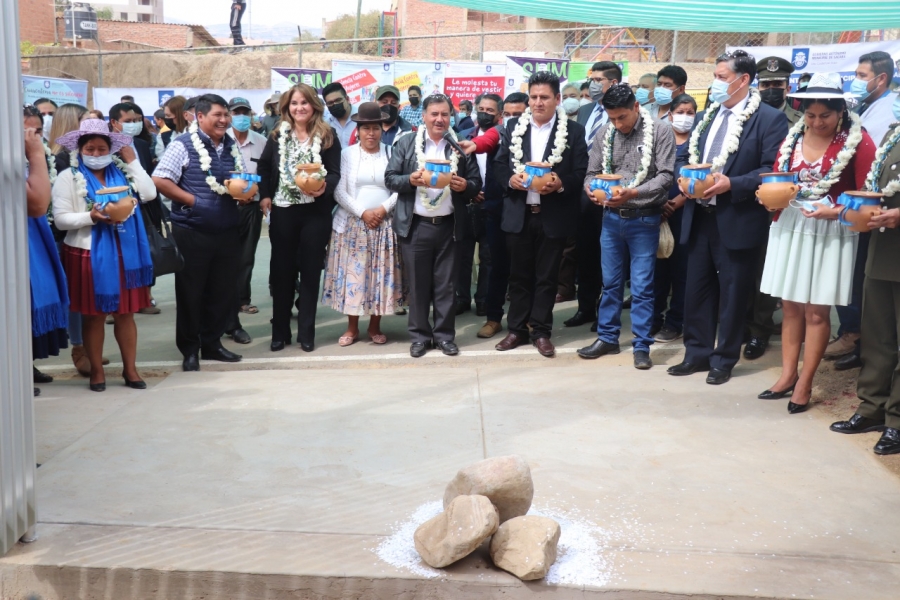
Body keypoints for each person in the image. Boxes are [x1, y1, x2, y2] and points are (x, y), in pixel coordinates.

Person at [668, 49, 789, 385]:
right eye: (715, 77)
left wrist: (731, 183)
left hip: (737, 215)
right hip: (700, 215)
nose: (715, 83)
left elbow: (771, 170)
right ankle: (696, 354)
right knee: (697, 289)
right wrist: (683, 177)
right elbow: (687, 156)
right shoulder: (708, 116)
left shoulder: (768, 119)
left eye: (722, 77)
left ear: (743, 80)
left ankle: (724, 359)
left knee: (733, 292)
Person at [757, 73, 876, 413]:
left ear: (840, 112)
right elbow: (779, 176)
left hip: (831, 229)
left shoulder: (858, 141)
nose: (817, 122)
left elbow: (868, 196)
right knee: (791, 304)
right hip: (791, 222)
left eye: (825, 115)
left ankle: (806, 382)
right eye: (810, 115)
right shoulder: (793, 137)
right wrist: (770, 197)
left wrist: (835, 210)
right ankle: (786, 375)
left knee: (816, 311)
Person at [53, 119, 156, 391]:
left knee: (126, 314)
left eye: (102, 148)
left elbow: (149, 193)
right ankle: (97, 371)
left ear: (112, 150)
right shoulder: (68, 177)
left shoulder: (123, 172)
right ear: (80, 149)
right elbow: (61, 220)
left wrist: (132, 161)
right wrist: (91, 216)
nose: (96, 154)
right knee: (94, 315)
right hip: (87, 254)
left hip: (126, 252)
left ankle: (131, 370)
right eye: (90, 149)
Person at [577, 84, 676, 368]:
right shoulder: (604, 133)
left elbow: (666, 176)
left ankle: (641, 346)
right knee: (610, 284)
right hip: (610, 220)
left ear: (635, 106)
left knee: (643, 287)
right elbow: (591, 173)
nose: (617, 124)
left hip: (644, 219)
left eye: (622, 117)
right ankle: (607, 338)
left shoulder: (660, 130)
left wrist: (633, 193)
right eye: (612, 118)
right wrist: (591, 189)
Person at [493, 71, 588, 358]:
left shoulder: (572, 132)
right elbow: (498, 166)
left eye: (544, 97)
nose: (537, 102)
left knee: (547, 277)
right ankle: (517, 329)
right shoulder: (513, 128)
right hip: (519, 213)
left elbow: (580, 172)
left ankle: (542, 331)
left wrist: (560, 184)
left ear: (557, 99)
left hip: (552, 215)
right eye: (533, 97)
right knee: (519, 276)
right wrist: (510, 180)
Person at [152, 94, 247, 371]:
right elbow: (160, 179)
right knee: (191, 292)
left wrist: (243, 193)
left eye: (226, 115)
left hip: (227, 229)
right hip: (193, 230)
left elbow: (236, 179)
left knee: (222, 291)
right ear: (199, 116)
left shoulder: (230, 146)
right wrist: (193, 200)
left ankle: (213, 344)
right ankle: (190, 350)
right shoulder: (183, 144)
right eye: (217, 115)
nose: (224, 120)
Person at [385, 93, 481, 358]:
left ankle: (444, 336)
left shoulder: (459, 146)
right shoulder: (406, 143)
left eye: (445, 114)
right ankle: (419, 337)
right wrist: (411, 180)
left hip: (449, 226)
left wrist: (466, 187)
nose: (439, 119)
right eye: (434, 114)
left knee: (446, 286)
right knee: (417, 285)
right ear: (424, 116)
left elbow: (476, 184)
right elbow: (390, 178)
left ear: (451, 117)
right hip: (416, 226)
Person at [830, 108, 900, 454]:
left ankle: (897, 420)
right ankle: (871, 407)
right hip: (882, 249)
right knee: (878, 337)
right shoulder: (893, 134)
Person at [828, 51, 900, 368]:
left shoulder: (887, 110)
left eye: (861, 75)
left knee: (865, 285)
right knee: (858, 279)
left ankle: (858, 339)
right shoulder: (868, 105)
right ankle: (857, 339)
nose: (856, 81)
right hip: (862, 206)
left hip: (880, 212)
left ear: (880, 78)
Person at [258, 84, 341, 352]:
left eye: (304, 103)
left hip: (315, 214)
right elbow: (264, 166)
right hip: (283, 212)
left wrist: (324, 187)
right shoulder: (277, 135)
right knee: (281, 273)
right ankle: (279, 333)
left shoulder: (327, 136)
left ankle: (306, 333)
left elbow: (336, 173)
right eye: (294, 103)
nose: (299, 108)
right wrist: (265, 195)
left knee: (309, 274)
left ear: (314, 106)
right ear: (286, 107)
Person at [322, 102, 403, 345]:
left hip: (385, 224)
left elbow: (400, 188)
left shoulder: (392, 153)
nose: (371, 133)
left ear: (382, 129)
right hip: (352, 225)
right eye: (365, 128)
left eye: (375, 128)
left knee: (380, 276)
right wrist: (363, 212)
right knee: (355, 279)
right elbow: (338, 192)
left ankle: (375, 326)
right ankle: (352, 327)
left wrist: (381, 209)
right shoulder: (347, 155)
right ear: (358, 130)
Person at [742, 57, 804, 361]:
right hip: (747, 201)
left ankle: (760, 330)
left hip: (782, 208)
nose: (771, 90)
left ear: (787, 86)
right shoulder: (748, 117)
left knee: (768, 270)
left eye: (776, 85)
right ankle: (741, 323)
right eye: (765, 85)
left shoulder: (801, 120)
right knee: (744, 266)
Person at [568, 61, 622, 331]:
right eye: (592, 78)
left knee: (610, 255)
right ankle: (585, 308)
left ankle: (606, 311)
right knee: (586, 252)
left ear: (613, 83)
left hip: (614, 193)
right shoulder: (586, 110)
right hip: (585, 192)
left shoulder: (623, 112)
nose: (593, 83)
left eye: (599, 79)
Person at [470, 92, 527, 339]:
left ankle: (525, 321)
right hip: (495, 209)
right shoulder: (499, 132)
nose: (513, 120)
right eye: (510, 115)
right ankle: (494, 318)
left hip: (524, 210)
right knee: (495, 265)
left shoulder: (537, 137)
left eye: (519, 115)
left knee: (524, 268)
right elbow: (486, 140)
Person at [24, 105, 68, 396]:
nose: (34, 137)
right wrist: (36, 154)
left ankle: (25, 364)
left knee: (35, 297)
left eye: (38, 131)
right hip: (21, 236)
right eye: (28, 131)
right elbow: (38, 202)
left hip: (35, 233)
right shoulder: (26, 156)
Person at [109, 101, 163, 316]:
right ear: (114, 123)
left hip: (146, 206)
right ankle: (117, 305)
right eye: (127, 121)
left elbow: (149, 177)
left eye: (137, 120)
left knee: (147, 251)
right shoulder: (108, 147)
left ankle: (145, 297)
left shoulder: (141, 145)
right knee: (121, 255)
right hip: (120, 209)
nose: (133, 124)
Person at [222, 96, 267, 345]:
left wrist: (261, 197)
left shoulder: (260, 142)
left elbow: (266, 173)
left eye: (245, 112)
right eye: (236, 112)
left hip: (251, 207)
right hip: (227, 207)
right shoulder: (221, 141)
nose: (241, 117)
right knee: (226, 256)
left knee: (247, 255)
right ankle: (224, 302)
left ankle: (242, 299)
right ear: (229, 116)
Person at [652, 94, 696, 343]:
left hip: (685, 213)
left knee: (681, 270)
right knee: (657, 269)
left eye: (690, 112)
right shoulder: (660, 138)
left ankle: (675, 321)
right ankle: (654, 318)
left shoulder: (697, 142)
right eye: (680, 111)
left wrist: (676, 202)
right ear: (670, 114)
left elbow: (701, 176)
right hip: (656, 212)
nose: (685, 117)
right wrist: (659, 204)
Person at [455, 93, 502, 317]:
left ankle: (483, 299)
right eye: (481, 109)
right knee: (462, 256)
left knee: (489, 258)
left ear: (499, 115)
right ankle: (461, 298)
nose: (484, 113)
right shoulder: (463, 136)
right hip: (468, 203)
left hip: (492, 205)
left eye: (490, 111)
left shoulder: (503, 136)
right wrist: (471, 192)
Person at [852, 51, 898, 149]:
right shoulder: (861, 105)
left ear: (881, 79)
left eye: (862, 75)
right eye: (856, 74)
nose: (856, 79)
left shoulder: (893, 108)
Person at [756, 57, 803, 126]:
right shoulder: (748, 120)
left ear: (788, 89)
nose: (771, 89)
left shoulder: (800, 122)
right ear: (758, 89)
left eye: (777, 84)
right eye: (765, 85)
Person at [323, 82, 357, 149]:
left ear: (347, 99)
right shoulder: (326, 125)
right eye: (330, 103)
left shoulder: (362, 118)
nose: (335, 105)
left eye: (338, 100)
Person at [156, 95, 188, 159]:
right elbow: (161, 158)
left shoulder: (195, 135)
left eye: (168, 115)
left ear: (180, 115)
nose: (166, 118)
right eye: (165, 115)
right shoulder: (163, 136)